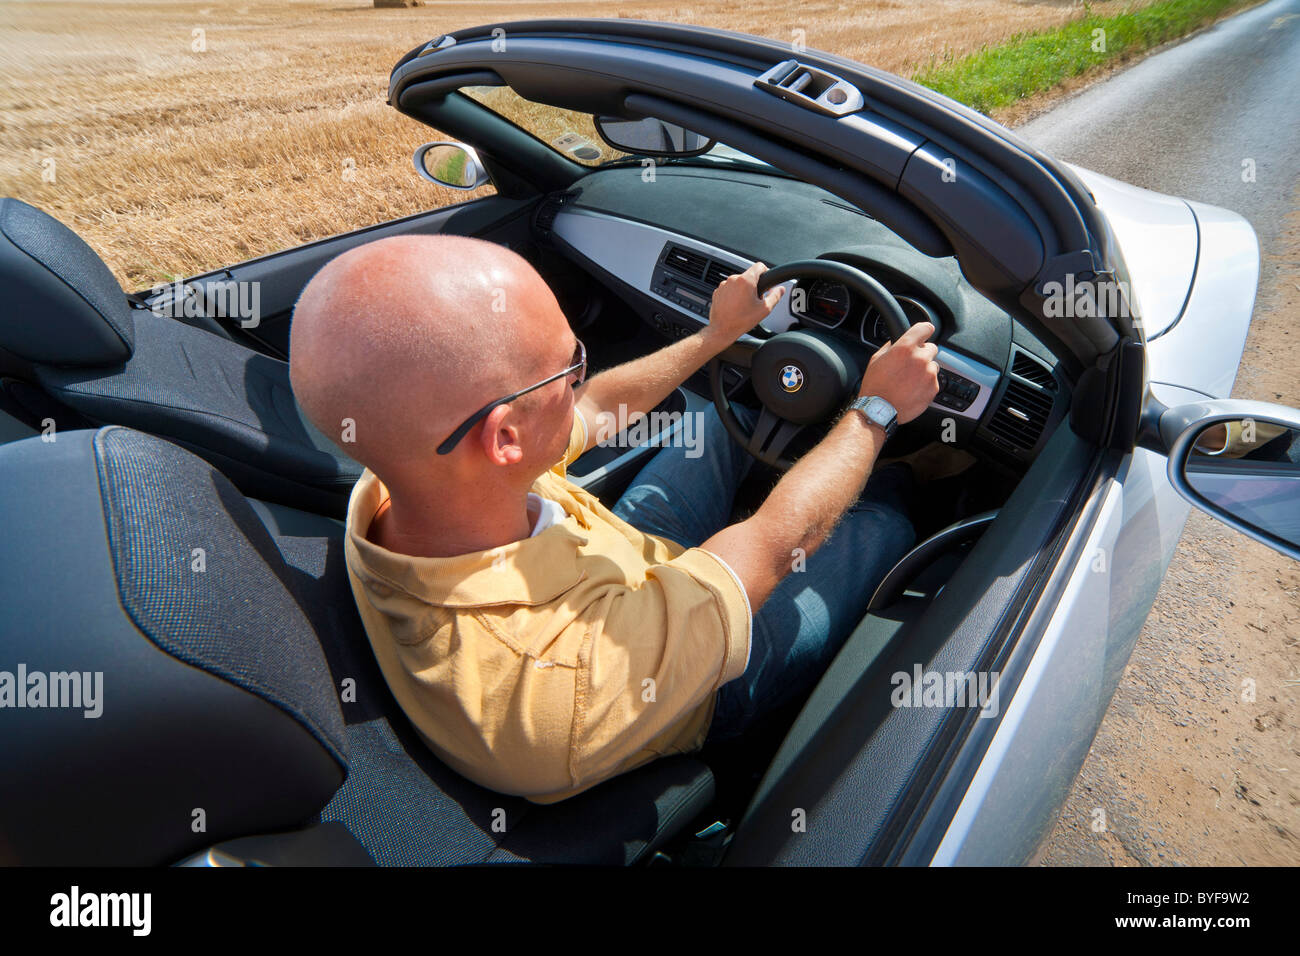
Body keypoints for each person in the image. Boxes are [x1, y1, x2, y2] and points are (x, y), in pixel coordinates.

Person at [289, 234, 940, 804]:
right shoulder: (554, 688)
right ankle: (916, 485)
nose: (583, 376)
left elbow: (598, 408)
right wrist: (876, 411)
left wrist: (719, 337)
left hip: (623, 561)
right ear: (506, 437)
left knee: (719, 421)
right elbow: (775, 543)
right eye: (569, 365)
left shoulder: (413, 476)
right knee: (884, 524)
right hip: (688, 683)